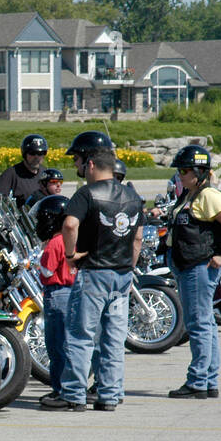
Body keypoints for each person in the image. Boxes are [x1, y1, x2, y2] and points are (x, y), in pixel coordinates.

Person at [43, 130, 143, 412]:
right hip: (122, 274)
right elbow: (137, 237)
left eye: (76, 160)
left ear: (89, 162)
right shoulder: (132, 196)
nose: (75, 167)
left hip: (94, 272)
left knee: (80, 335)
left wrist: (71, 255)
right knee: (113, 338)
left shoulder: (86, 194)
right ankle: (110, 394)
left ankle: (73, 394)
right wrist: (129, 265)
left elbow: (70, 225)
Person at [166, 144, 221, 400]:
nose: (180, 175)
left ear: (199, 172)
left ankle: (198, 380)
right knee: (206, 323)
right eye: (179, 170)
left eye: (185, 170)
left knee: (197, 324)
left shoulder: (208, 195)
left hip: (198, 267)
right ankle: (208, 379)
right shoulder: (190, 194)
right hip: (188, 265)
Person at [33, 194, 74, 405]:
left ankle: (61, 390)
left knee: (56, 347)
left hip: (56, 294)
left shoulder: (53, 243)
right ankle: (72, 387)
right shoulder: (71, 238)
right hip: (72, 293)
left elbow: (47, 271)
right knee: (69, 345)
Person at [0, 134, 49, 209]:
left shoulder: (46, 173)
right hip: (21, 219)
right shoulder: (11, 174)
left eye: (40, 153)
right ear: (24, 154)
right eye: (32, 153)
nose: (37, 157)